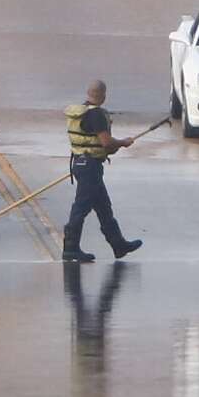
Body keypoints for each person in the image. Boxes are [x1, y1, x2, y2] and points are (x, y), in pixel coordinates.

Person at [63, 80, 143, 264]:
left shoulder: (81, 112)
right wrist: (122, 142)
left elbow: (102, 144)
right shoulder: (97, 114)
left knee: (104, 207)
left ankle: (118, 245)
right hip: (90, 166)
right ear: (104, 96)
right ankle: (70, 247)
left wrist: (116, 146)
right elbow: (106, 143)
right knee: (81, 207)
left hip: (81, 162)